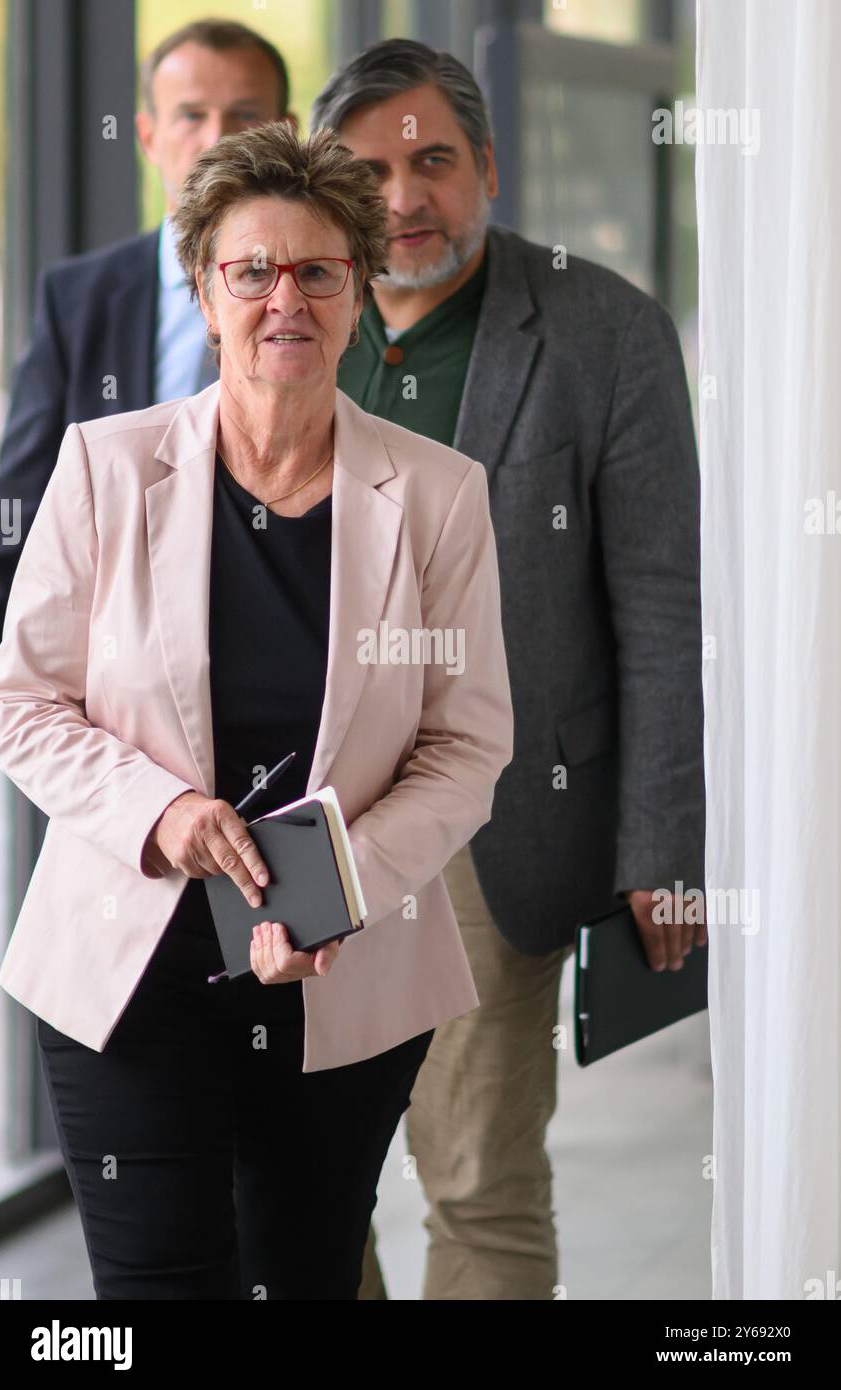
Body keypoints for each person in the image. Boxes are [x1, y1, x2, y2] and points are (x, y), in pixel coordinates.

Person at [0, 123, 513, 1301]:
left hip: (338, 970)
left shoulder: (436, 498)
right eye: (251, 271)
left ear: (359, 293)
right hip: (129, 962)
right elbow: (19, 702)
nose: (286, 298)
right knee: (158, 1284)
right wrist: (162, 811)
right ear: (205, 292)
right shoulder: (106, 467)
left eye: (318, 270)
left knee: (299, 1277)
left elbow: (465, 745)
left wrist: (339, 886)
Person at [311, 38, 707, 1301]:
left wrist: (661, 850)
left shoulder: (603, 332)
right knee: (298, 1170)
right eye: (368, 169)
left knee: (475, 1174)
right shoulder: (289, 313)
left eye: (433, 159)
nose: (404, 195)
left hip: (489, 814)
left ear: (486, 163)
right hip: (299, 819)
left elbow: (657, 605)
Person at [0, 17, 296, 680]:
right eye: (191, 116)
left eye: (244, 114)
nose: (218, 139)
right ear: (148, 135)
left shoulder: (329, 292)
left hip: (287, 680)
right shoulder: (79, 297)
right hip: (105, 692)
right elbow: (20, 507)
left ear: (286, 130)